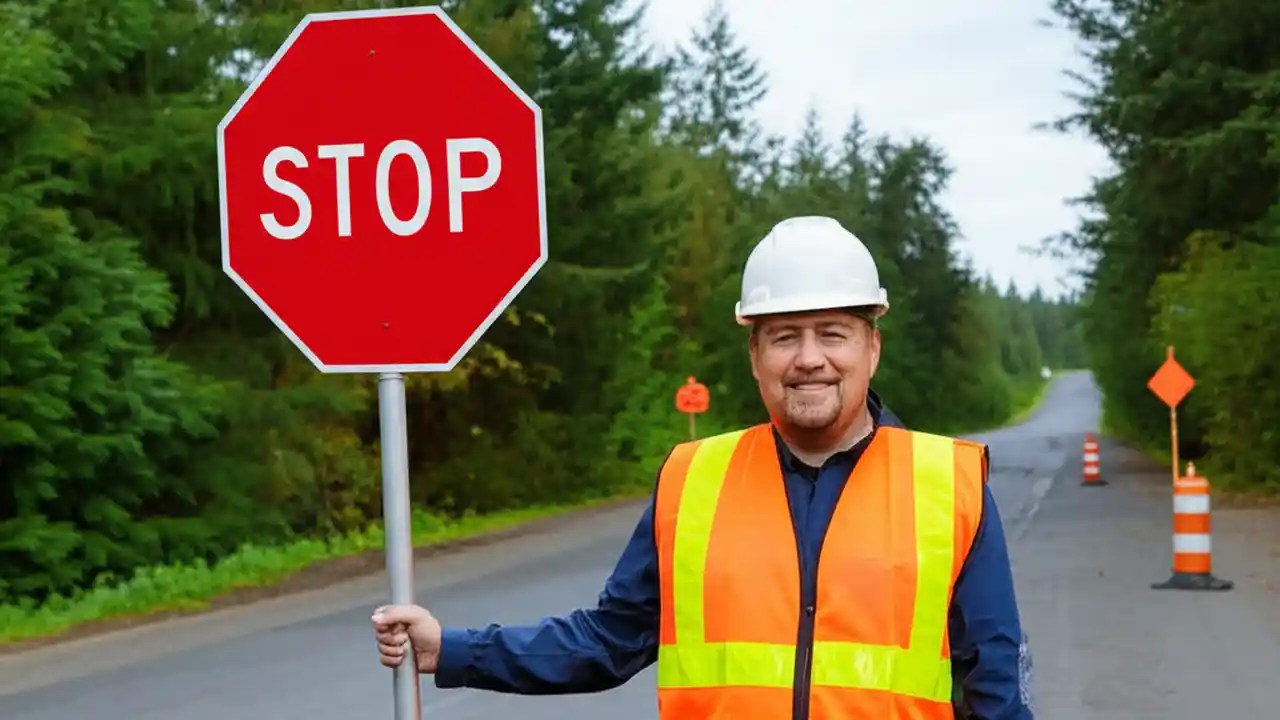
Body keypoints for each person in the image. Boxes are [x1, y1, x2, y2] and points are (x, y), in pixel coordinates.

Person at [371, 215, 1035, 719]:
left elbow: (996, 690)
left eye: (832, 332)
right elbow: (609, 640)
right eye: (784, 336)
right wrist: (451, 651)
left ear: (872, 347)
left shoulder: (947, 485)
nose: (809, 358)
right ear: (755, 354)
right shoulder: (694, 481)